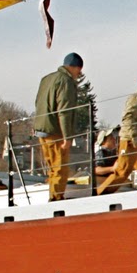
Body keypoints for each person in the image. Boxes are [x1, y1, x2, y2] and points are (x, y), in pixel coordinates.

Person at [33, 52, 89, 201]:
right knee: (60, 168)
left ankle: (53, 195)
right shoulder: (66, 81)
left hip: (41, 128)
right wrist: (67, 137)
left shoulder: (46, 79)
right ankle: (56, 198)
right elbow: (64, 111)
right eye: (79, 70)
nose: (79, 74)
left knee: (52, 167)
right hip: (54, 130)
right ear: (75, 67)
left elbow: (38, 102)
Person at [96, 72, 137, 194]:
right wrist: (134, 135)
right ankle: (100, 195)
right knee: (122, 171)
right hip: (131, 141)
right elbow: (127, 118)